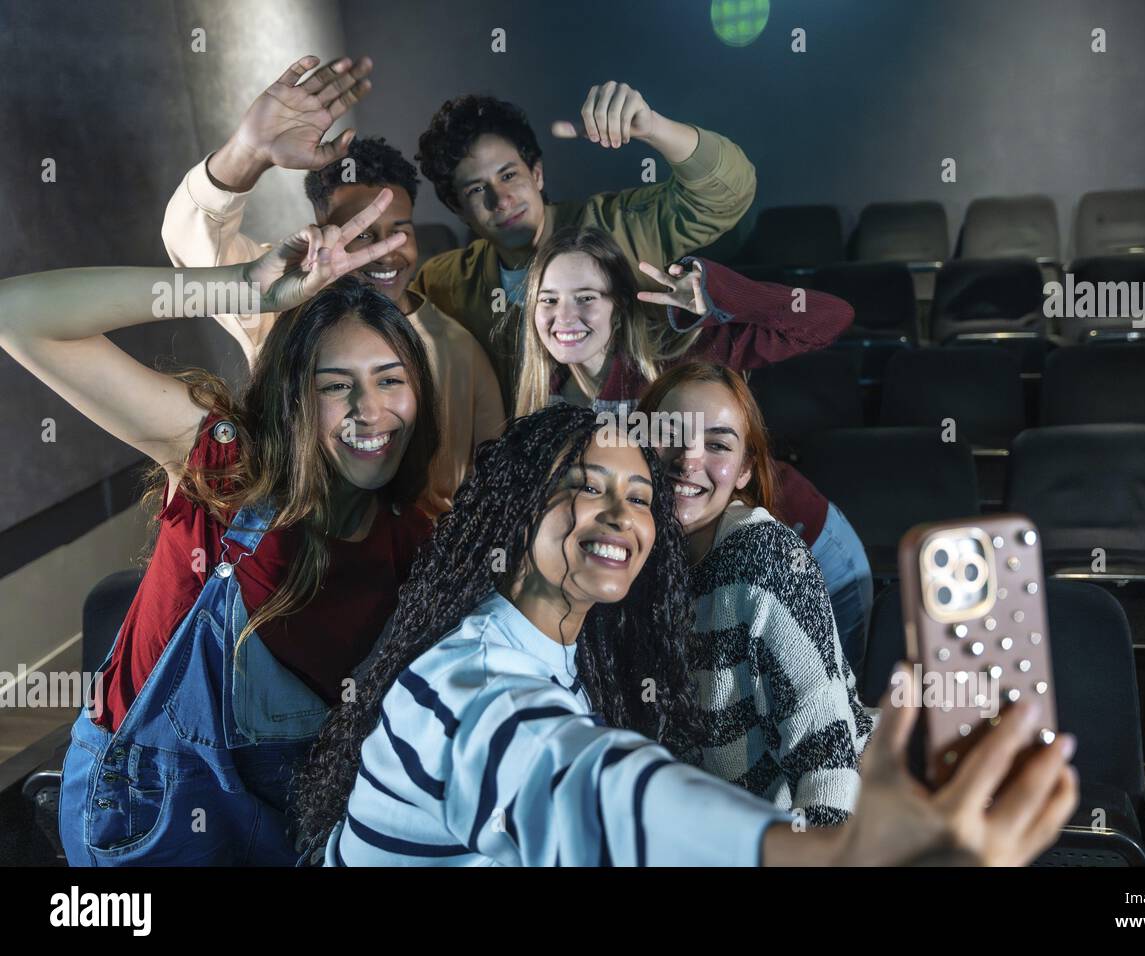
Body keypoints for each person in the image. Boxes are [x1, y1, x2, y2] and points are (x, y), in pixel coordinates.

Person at [293, 404, 1079, 866]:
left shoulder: (578, 654)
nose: (620, 515)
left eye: (640, 497)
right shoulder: (460, 684)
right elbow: (587, 788)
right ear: (514, 511)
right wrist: (836, 856)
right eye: (585, 489)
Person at [0, 190, 439, 865]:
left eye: (389, 380)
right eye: (335, 385)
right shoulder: (230, 467)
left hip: (286, 828)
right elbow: (18, 315)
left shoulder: (415, 539)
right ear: (294, 397)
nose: (369, 410)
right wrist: (236, 287)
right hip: (148, 820)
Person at [514, 226, 874, 671]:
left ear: (620, 304)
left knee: (831, 698)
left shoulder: (680, 353)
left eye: (586, 297)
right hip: (696, 574)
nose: (564, 316)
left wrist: (721, 294)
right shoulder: (546, 398)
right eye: (548, 299)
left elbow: (830, 317)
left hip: (807, 550)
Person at [162, 54, 502, 514]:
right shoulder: (282, 303)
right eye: (360, 233)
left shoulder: (457, 346)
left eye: (399, 231)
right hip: (297, 545)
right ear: (320, 229)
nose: (384, 252)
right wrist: (247, 152)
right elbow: (192, 244)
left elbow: (495, 472)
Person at [412, 83, 756, 406]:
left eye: (509, 175)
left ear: (536, 174)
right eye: (476, 189)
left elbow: (725, 196)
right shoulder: (448, 282)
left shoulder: (618, 226)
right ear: (458, 209)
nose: (500, 199)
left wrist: (654, 128)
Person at [639, 363, 869, 825]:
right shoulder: (635, 555)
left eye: (717, 445)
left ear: (745, 469)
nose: (688, 460)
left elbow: (829, 766)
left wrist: (808, 854)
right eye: (670, 434)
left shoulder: (765, 557)